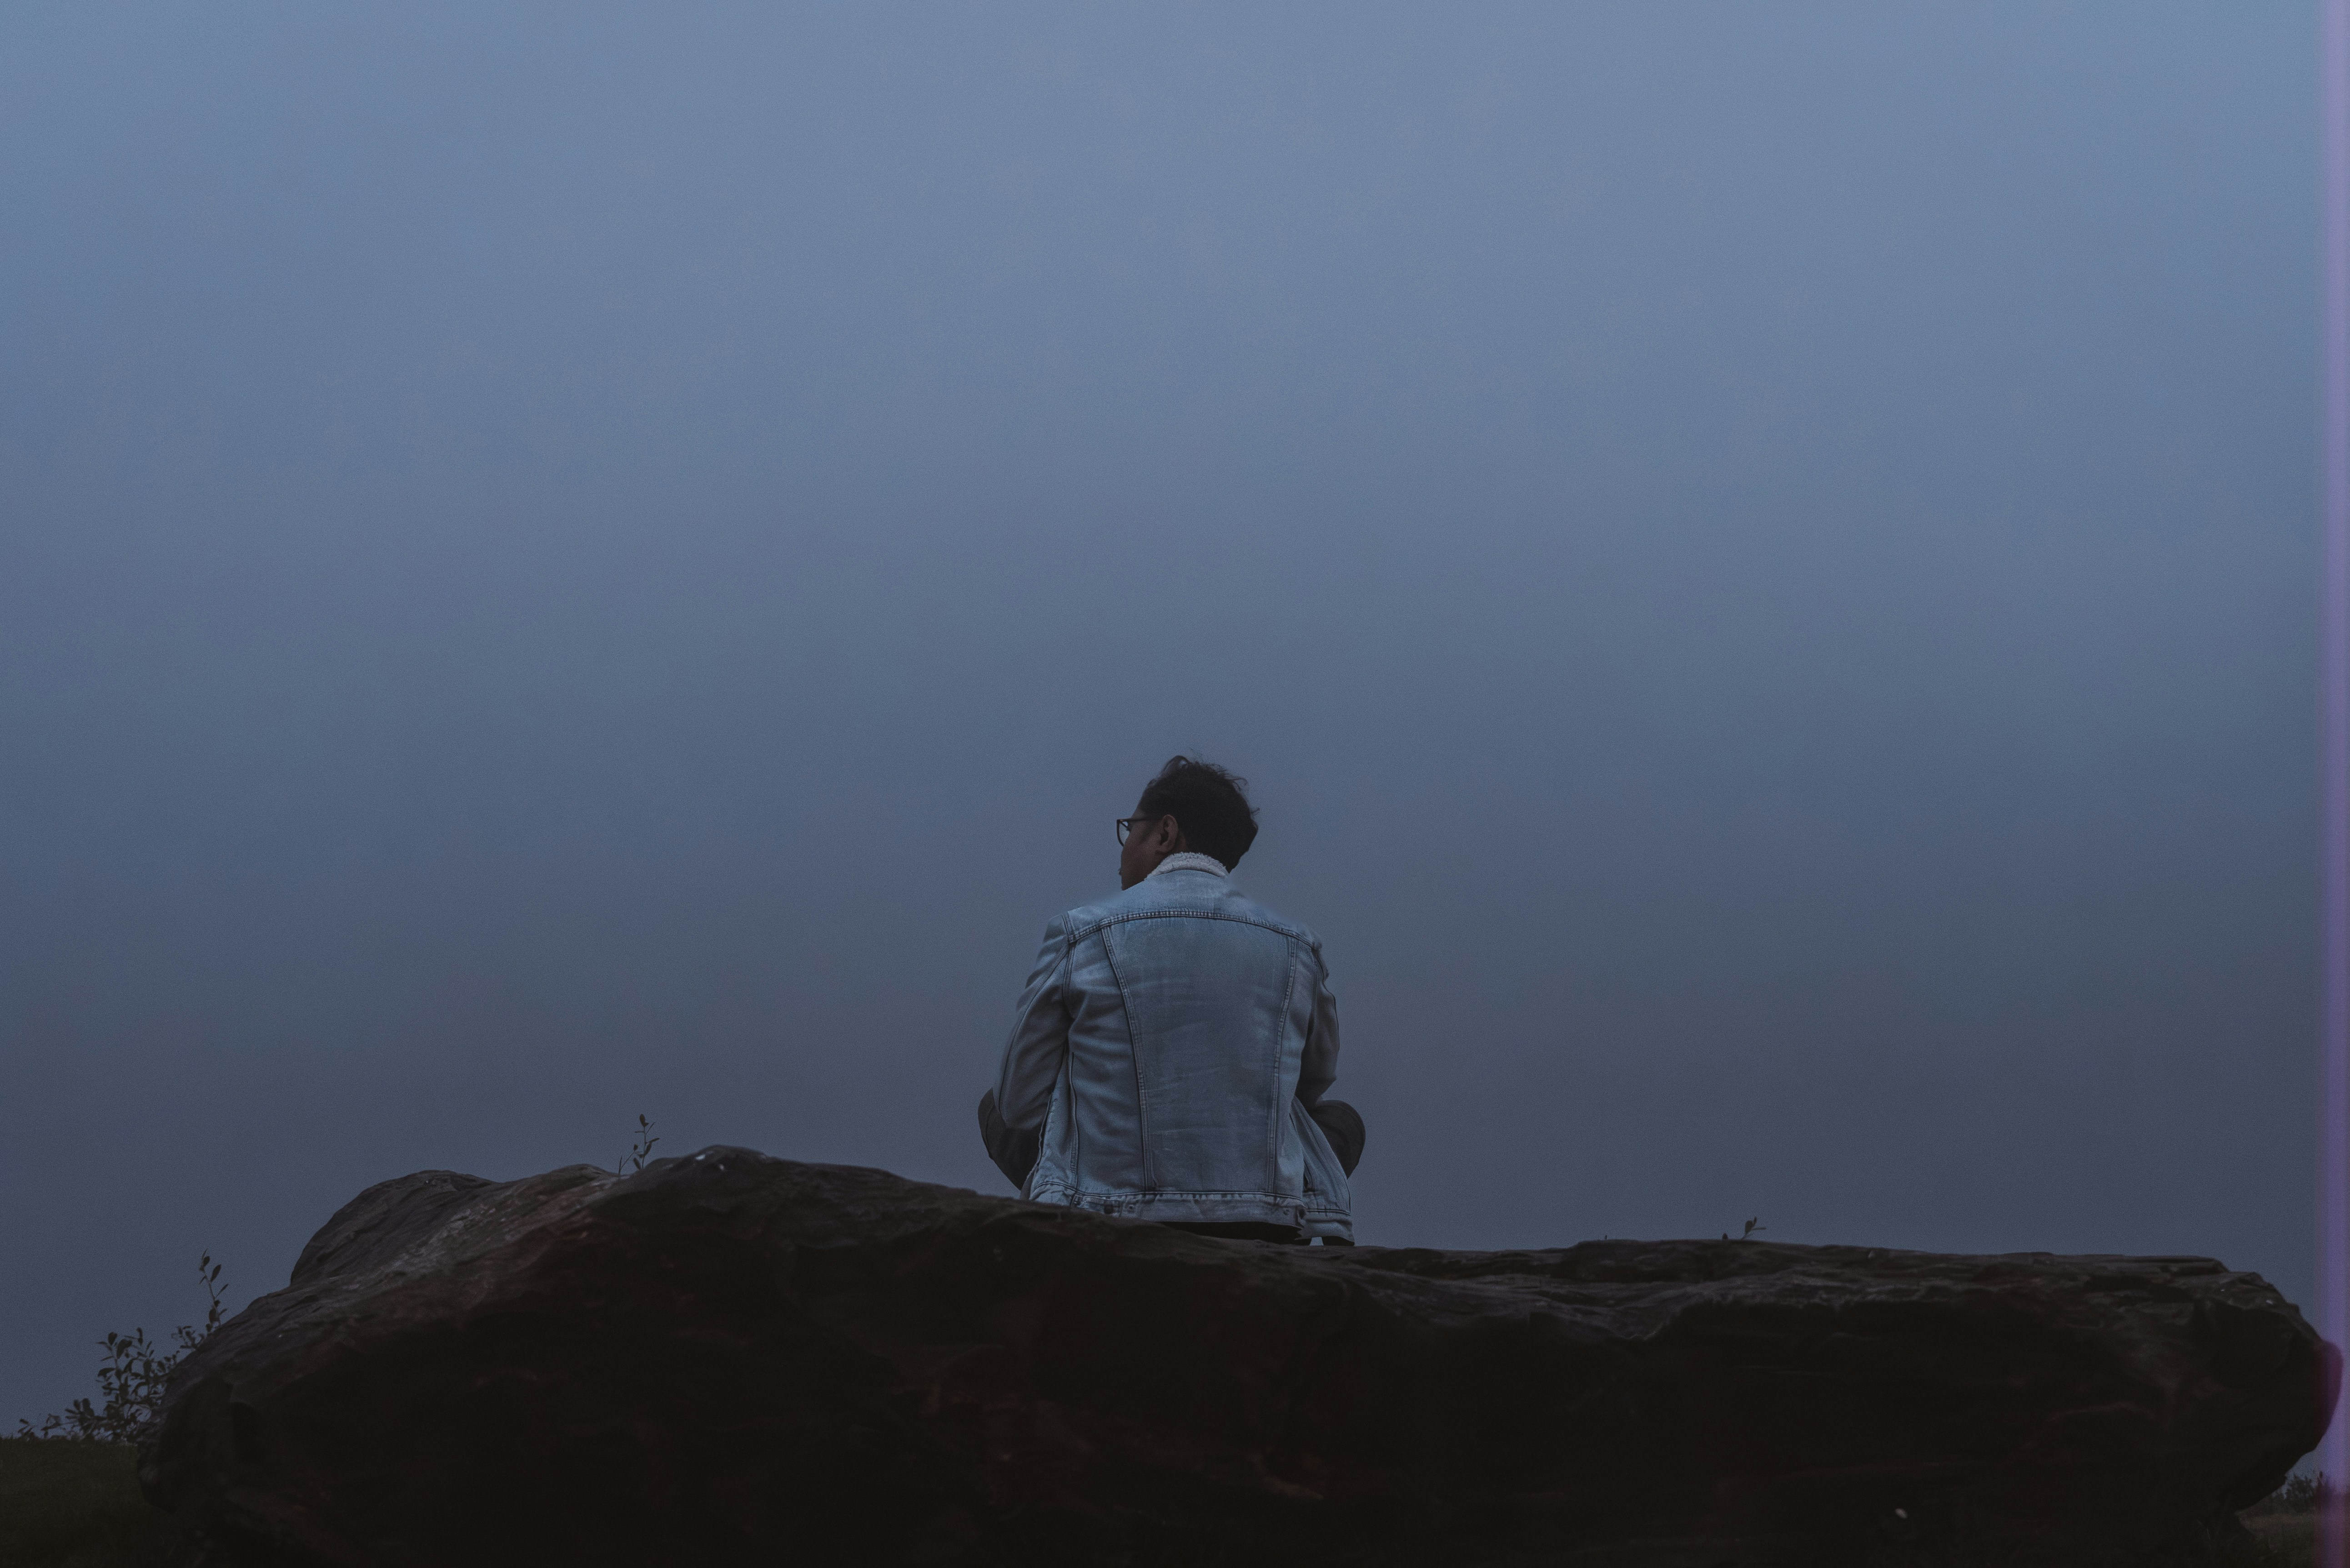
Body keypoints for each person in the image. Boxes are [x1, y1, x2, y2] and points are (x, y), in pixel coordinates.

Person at [977, 756, 1364, 1244]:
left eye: (1130, 830)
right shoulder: (1297, 946)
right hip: (1259, 1218)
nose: (1122, 853)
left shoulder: (1081, 931)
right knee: (1341, 1120)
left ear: (1164, 834)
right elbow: (1312, 1087)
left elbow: (1017, 1103)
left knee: (993, 1105)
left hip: (1106, 1212)